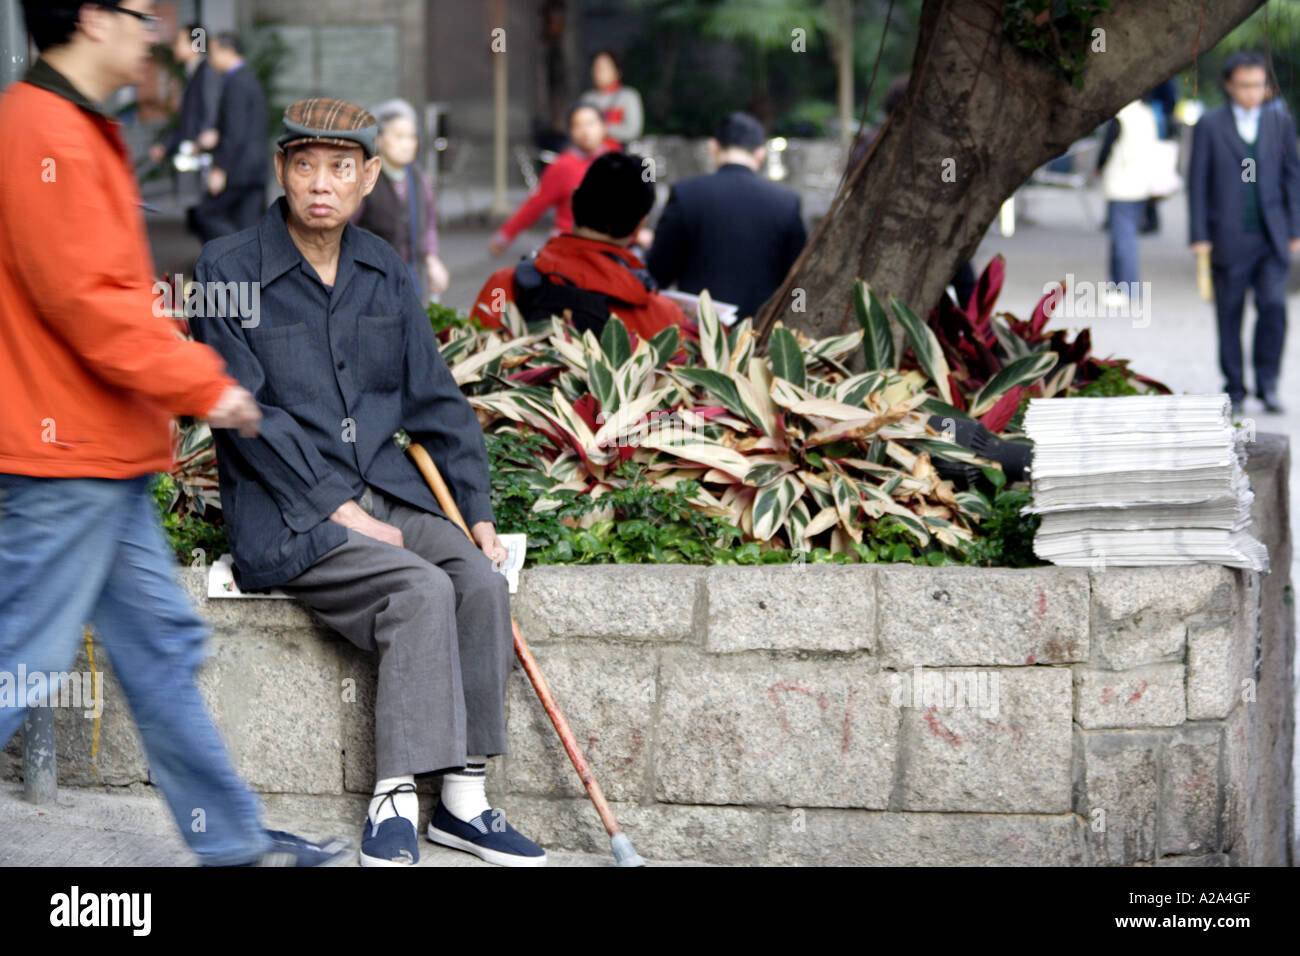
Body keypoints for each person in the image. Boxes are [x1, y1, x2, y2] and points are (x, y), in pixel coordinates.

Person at [0, 0, 344, 867]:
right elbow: (88, 305)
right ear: (89, 17)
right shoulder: (42, 129)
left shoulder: (70, 123)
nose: (156, 31)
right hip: (61, 459)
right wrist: (204, 383)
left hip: (96, 454)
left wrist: (185, 363)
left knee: (158, 649)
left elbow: (113, 297)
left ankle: (230, 844)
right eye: (141, 13)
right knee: (19, 665)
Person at [190, 97, 547, 868]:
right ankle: (393, 797)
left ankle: (463, 799)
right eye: (306, 165)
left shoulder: (385, 268)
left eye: (341, 167)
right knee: (418, 589)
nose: (322, 183)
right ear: (282, 171)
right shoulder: (227, 270)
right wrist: (340, 508)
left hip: (383, 489)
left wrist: (478, 514)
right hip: (289, 511)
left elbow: (437, 401)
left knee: (475, 579)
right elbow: (245, 416)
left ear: (370, 176)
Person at [1188, 50, 1300, 414]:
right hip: (1228, 237)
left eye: (1259, 85)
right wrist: (1199, 233)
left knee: (1273, 307)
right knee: (1229, 314)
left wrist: (1294, 228)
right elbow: (1197, 182)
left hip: (1272, 236)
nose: (1253, 92)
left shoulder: (1279, 121)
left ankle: (1267, 384)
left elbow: (1292, 177)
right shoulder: (1210, 123)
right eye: (1245, 85)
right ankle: (1235, 387)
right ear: (1229, 85)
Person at [473, 152, 687, 340]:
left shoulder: (501, 289)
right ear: (640, 225)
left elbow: (475, 356)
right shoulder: (665, 318)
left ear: (573, 202)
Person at [646, 112, 806, 320]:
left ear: (713, 147)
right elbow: (798, 280)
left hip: (699, 334)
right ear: (760, 153)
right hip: (761, 334)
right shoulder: (787, 202)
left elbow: (659, 271)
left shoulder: (686, 193)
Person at [352, 98, 448, 304]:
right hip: (370, 281)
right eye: (399, 136)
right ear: (379, 139)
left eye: (411, 137)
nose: (407, 144)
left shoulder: (419, 178)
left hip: (410, 278)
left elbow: (428, 223)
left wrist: (432, 259)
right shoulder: (365, 178)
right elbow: (344, 226)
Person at [488, 103, 609, 258]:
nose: (585, 131)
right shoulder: (563, 165)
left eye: (591, 124)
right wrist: (504, 236)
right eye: (578, 125)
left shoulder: (616, 162)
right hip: (568, 247)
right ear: (570, 132)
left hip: (607, 246)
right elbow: (535, 204)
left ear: (604, 126)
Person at [193, 31, 267, 243]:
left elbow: (236, 131)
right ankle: (246, 266)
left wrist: (220, 168)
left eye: (214, 52)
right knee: (248, 227)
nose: (210, 58)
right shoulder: (249, 79)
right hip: (254, 167)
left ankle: (232, 255)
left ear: (228, 51)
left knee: (206, 214)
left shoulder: (236, 83)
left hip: (238, 168)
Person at [1095, 98, 1159, 307]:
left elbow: (1108, 146)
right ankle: (1118, 285)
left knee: (1123, 240)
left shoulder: (1121, 116)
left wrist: (1099, 166)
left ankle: (1127, 287)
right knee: (1123, 237)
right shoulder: (1147, 113)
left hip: (1121, 184)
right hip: (1141, 184)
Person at [147, 22, 220, 171]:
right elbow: (187, 120)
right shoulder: (192, 75)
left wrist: (199, 144)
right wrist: (165, 146)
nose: (174, 46)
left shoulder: (207, 73)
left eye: (179, 41)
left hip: (203, 157)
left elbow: (211, 114)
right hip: (192, 154)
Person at [579, 49, 643, 148]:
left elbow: (633, 131)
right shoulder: (587, 99)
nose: (598, 72)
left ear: (618, 72)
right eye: (596, 68)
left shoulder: (628, 96)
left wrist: (603, 130)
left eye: (604, 68)